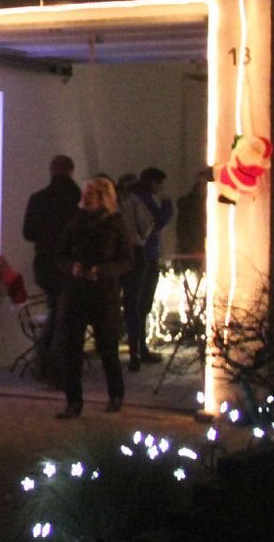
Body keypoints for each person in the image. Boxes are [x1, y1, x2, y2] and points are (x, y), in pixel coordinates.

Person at [51, 176, 135, 418]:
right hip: (76, 293)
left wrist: (103, 271)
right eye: (85, 193)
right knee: (72, 349)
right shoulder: (75, 222)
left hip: (103, 293)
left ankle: (115, 394)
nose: (85, 198)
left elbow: (127, 260)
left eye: (90, 194)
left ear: (103, 198)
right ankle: (73, 401)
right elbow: (60, 254)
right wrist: (71, 267)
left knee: (107, 347)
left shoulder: (116, 224)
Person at [20, 155, 82, 382]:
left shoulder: (38, 198)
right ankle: (56, 370)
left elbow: (28, 233)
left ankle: (45, 365)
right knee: (64, 318)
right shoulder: (79, 199)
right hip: (72, 266)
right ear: (71, 171)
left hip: (45, 264)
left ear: (51, 170)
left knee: (56, 313)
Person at [122, 167, 172, 370]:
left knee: (133, 305)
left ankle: (137, 350)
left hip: (131, 257)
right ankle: (140, 350)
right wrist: (168, 205)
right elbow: (157, 222)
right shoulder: (144, 199)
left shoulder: (127, 199)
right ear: (152, 182)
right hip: (146, 256)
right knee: (141, 306)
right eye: (160, 184)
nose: (161, 188)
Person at [172, 166, 213, 267]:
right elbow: (183, 227)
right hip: (195, 246)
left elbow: (181, 227)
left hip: (194, 245)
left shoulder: (187, 203)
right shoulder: (189, 204)